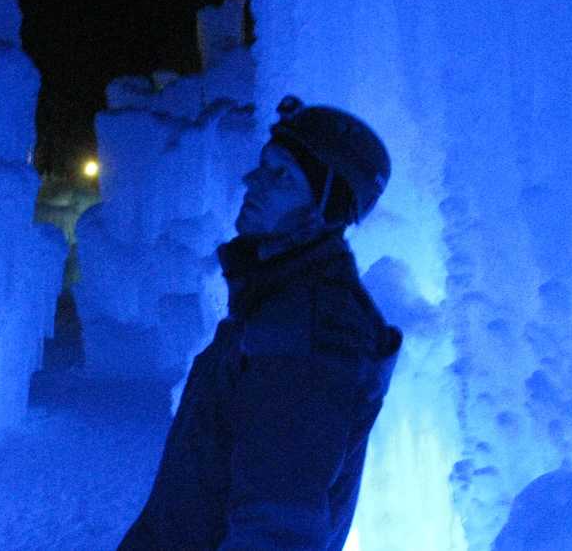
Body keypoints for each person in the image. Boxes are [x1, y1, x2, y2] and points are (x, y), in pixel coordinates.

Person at [120, 96, 403, 550]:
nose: (253, 180)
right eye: (263, 165)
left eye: (282, 176)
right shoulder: (279, 303)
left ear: (323, 212)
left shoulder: (306, 328)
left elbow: (277, 528)